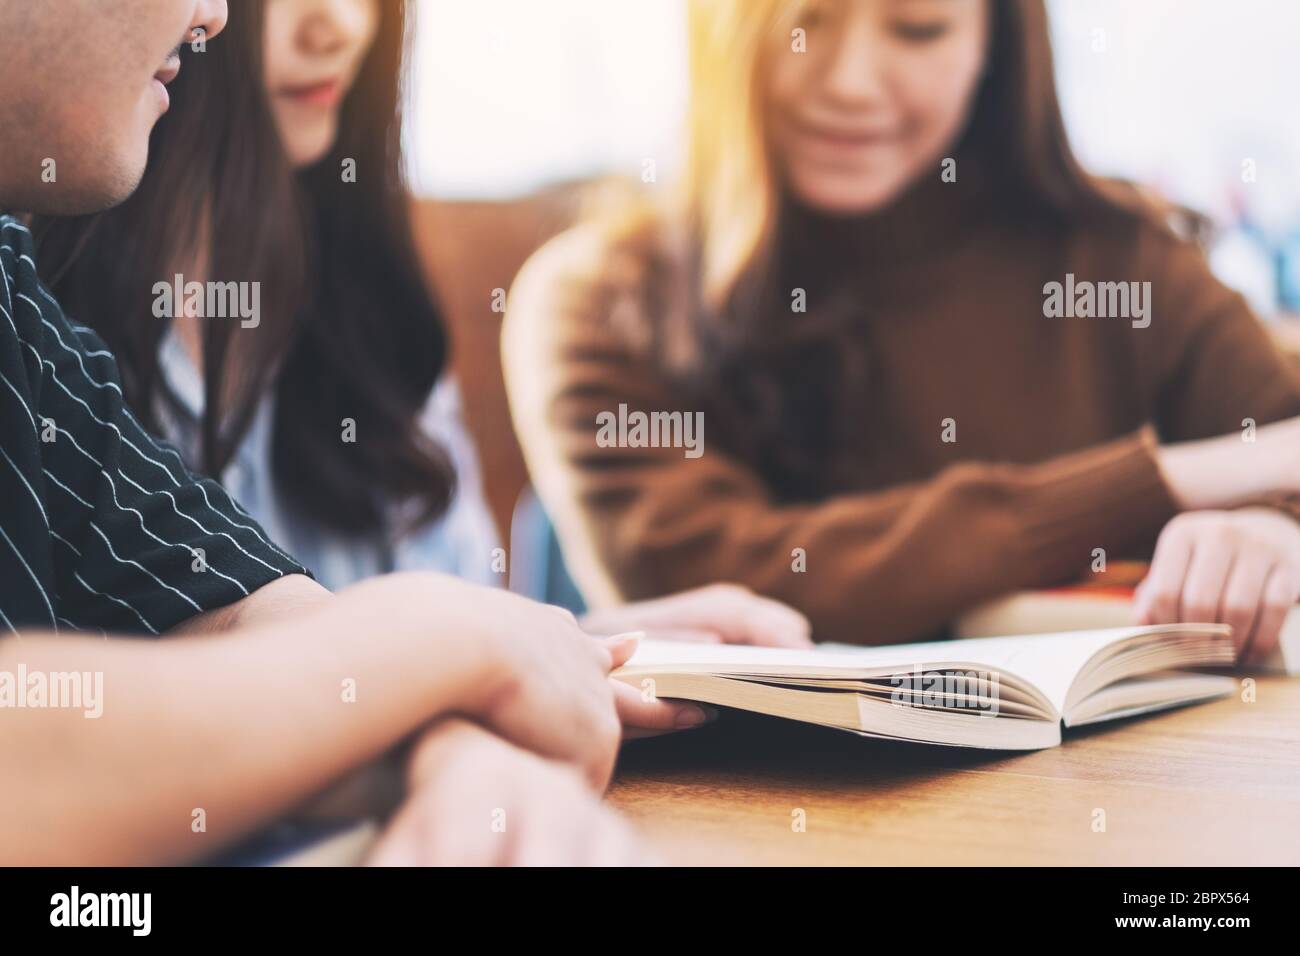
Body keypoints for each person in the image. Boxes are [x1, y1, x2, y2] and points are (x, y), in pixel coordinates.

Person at [0, 0, 652, 867]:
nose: (211, 16)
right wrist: (453, 645)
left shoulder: (17, 311)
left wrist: (453, 747)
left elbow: (236, 606)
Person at [503, 0, 1300, 663]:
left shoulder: (1121, 256)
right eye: (804, 18)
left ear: (997, 39)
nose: (849, 83)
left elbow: (1282, 449)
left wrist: (1270, 531)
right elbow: (721, 584)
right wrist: (1168, 480)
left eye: (918, 27)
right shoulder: (597, 298)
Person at [34, 0, 813, 653]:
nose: (340, 25)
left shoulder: (367, 305)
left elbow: (429, 638)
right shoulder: (40, 330)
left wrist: (582, 648)